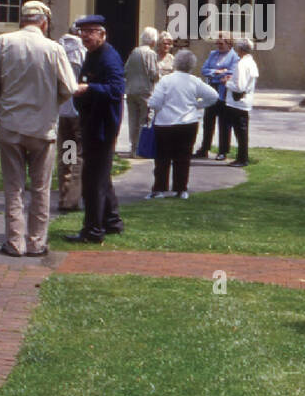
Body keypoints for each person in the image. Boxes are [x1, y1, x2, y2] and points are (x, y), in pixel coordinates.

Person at [0, 1, 76, 258]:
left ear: (22, 20)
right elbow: (69, 87)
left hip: (11, 124)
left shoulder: (3, 43)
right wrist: (50, 103)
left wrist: (3, 101)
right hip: (42, 127)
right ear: (44, 22)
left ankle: (14, 242)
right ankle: (36, 242)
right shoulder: (54, 48)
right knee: (41, 188)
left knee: (13, 187)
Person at [65, 15, 126, 245]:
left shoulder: (109, 58)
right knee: (101, 176)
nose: (86, 36)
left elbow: (116, 89)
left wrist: (88, 88)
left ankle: (93, 231)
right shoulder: (92, 55)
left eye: (91, 31)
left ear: (102, 34)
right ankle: (112, 222)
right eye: (83, 32)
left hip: (102, 127)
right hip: (91, 123)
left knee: (93, 180)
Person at [146, 49, 217, 199]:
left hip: (165, 123)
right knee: (183, 157)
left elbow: (154, 102)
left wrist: (161, 109)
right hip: (188, 123)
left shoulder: (166, 80)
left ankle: (159, 189)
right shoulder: (194, 81)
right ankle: (181, 189)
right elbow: (213, 96)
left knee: (162, 158)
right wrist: (198, 105)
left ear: (175, 63)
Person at [56, 24, 86, 212]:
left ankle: (63, 194)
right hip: (77, 112)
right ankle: (71, 199)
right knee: (77, 157)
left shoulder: (55, 51)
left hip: (61, 111)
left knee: (66, 155)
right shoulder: (83, 53)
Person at [195, 33, 238, 159]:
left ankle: (223, 151)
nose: (218, 46)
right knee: (208, 122)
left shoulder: (234, 57)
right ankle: (204, 149)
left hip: (224, 93)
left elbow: (231, 72)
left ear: (229, 43)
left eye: (221, 43)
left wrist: (215, 74)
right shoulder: (213, 54)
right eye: (217, 43)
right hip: (211, 92)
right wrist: (218, 72)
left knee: (224, 123)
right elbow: (204, 70)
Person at [124, 26, 160, 157]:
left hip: (131, 89)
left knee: (132, 120)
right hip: (145, 90)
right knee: (144, 120)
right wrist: (159, 77)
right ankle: (140, 148)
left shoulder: (134, 51)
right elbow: (153, 73)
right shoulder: (150, 53)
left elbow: (126, 69)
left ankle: (133, 148)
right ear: (153, 40)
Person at [223, 37, 259, 167]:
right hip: (245, 102)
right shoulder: (251, 62)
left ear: (239, 49)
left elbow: (240, 86)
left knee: (240, 132)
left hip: (238, 102)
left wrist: (227, 82)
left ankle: (242, 159)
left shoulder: (242, 64)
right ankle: (242, 157)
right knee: (242, 131)